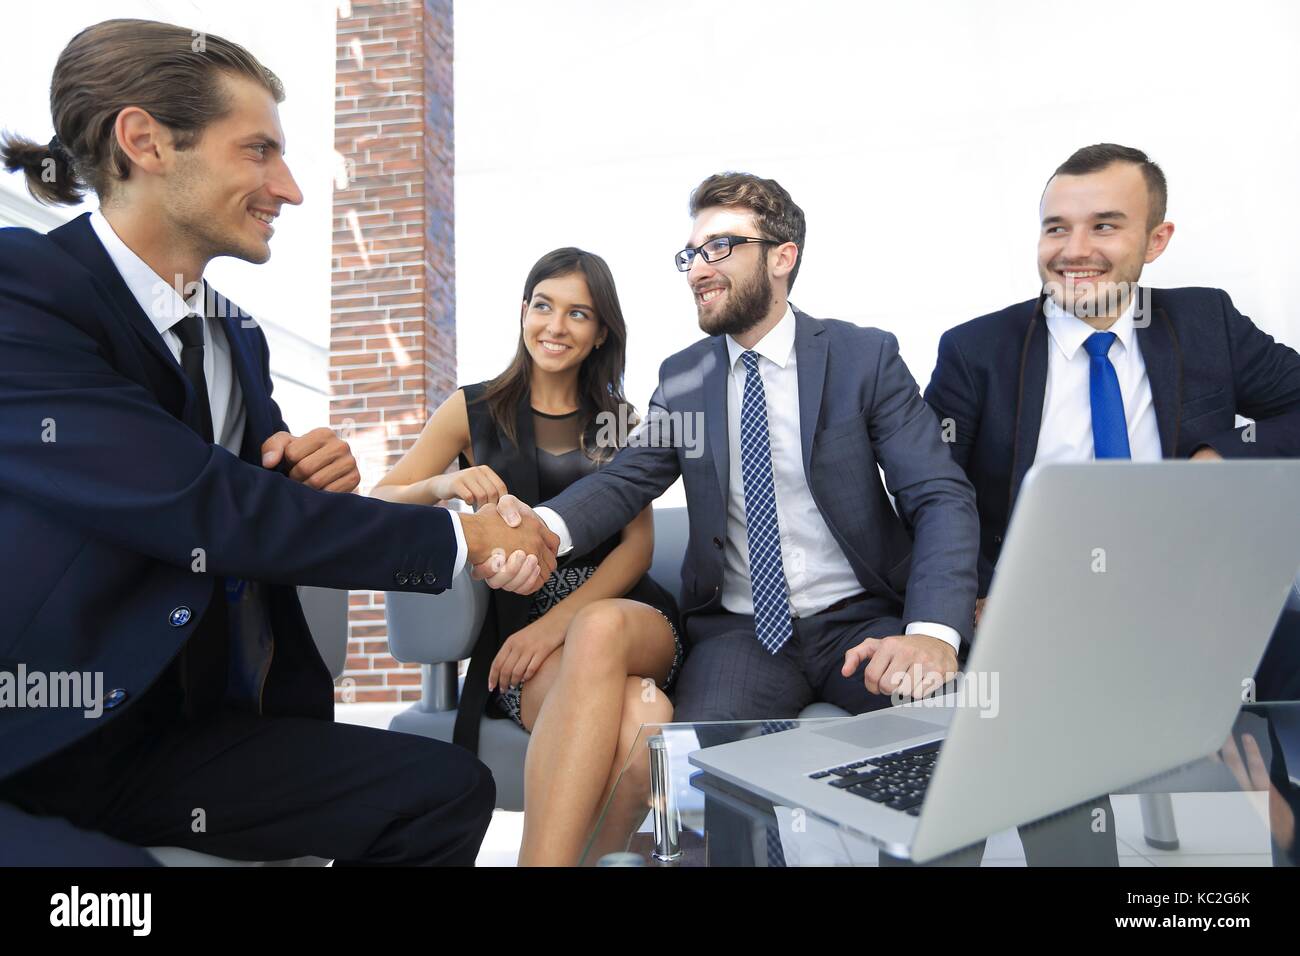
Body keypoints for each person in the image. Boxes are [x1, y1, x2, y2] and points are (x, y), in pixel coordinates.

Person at [0, 18, 556, 865]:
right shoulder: (27, 292)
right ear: (145, 141)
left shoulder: (234, 337)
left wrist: (309, 483)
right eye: (258, 151)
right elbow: (196, 505)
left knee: (444, 792)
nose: (290, 188)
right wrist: (455, 536)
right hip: (41, 744)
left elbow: (258, 516)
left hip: (180, 742)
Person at [484, 172, 980, 725]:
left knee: (952, 737)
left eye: (719, 247)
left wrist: (933, 634)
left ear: (781, 257)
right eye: (691, 254)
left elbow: (938, 495)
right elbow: (625, 480)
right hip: (743, 635)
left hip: (863, 619)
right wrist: (541, 528)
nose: (698, 268)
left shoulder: (864, 359)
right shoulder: (684, 380)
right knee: (705, 776)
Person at [371, 248, 682, 866]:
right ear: (523, 312)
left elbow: (638, 547)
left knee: (599, 628)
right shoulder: (472, 409)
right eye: (544, 306)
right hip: (519, 633)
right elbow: (381, 499)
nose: (556, 326)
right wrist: (443, 487)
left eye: (579, 314)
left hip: (625, 613)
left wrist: (552, 628)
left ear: (600, 335)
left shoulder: (622, 421)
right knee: (646, 718)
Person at [924, 143, 1300, 652]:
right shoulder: (976, 351)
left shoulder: (1207, 322)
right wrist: (983, 590)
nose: (1074, 250)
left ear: (1155, 240)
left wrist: (1217, 457)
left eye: (1104, 226)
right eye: (1057, 227)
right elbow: (933, 493)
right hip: (1042, 610)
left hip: (1188, 595)